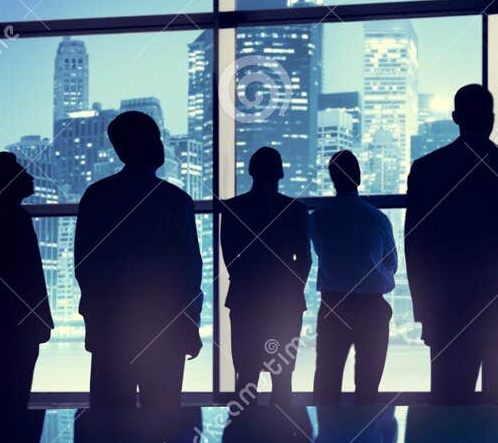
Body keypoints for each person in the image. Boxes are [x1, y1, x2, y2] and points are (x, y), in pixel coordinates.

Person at [405, 84, 498, 404]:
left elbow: (416, 249)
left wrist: (426, 313)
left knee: (449, 410)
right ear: (492, 118)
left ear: (456, 117)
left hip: (449, 312)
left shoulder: (427, 170)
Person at [74, 110, 202, 408]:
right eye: (156, 136)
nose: (161, 144)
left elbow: (86, 266)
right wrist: (189, 323)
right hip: (165, 327)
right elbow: (188, 272)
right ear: (145, 143)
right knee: (162, 419)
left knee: (110, 420)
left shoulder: (97, 196)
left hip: (111, 328)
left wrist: (96, 319)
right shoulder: (175, 200)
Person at [220, 147, 310, 398]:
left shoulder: (233, 209)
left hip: (245, 300)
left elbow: (230, 257)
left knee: (246, 376)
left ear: (251, 172)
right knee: (283, 379)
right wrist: (292, 289)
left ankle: (243, 430)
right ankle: (283, 432)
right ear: (280, 173)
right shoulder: (296, 209)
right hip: (285, 302)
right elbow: (304, 260)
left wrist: (244, 281)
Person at [0, 152, 53, 411]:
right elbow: (28, 278)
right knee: (13, 393)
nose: (30, 175)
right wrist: (40, 319)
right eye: (21, 171)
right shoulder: (15, 219)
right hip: (15, 325)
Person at [310, 150, 396, 402]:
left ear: (332, 178)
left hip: (333, 303)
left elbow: (319, 251)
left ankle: (327, 435)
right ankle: (364, 435)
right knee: (369, 383)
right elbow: (391, 262)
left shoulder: (318, 217)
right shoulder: (377, 218)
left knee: (327, 378)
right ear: (358, 176)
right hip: (371, 304)